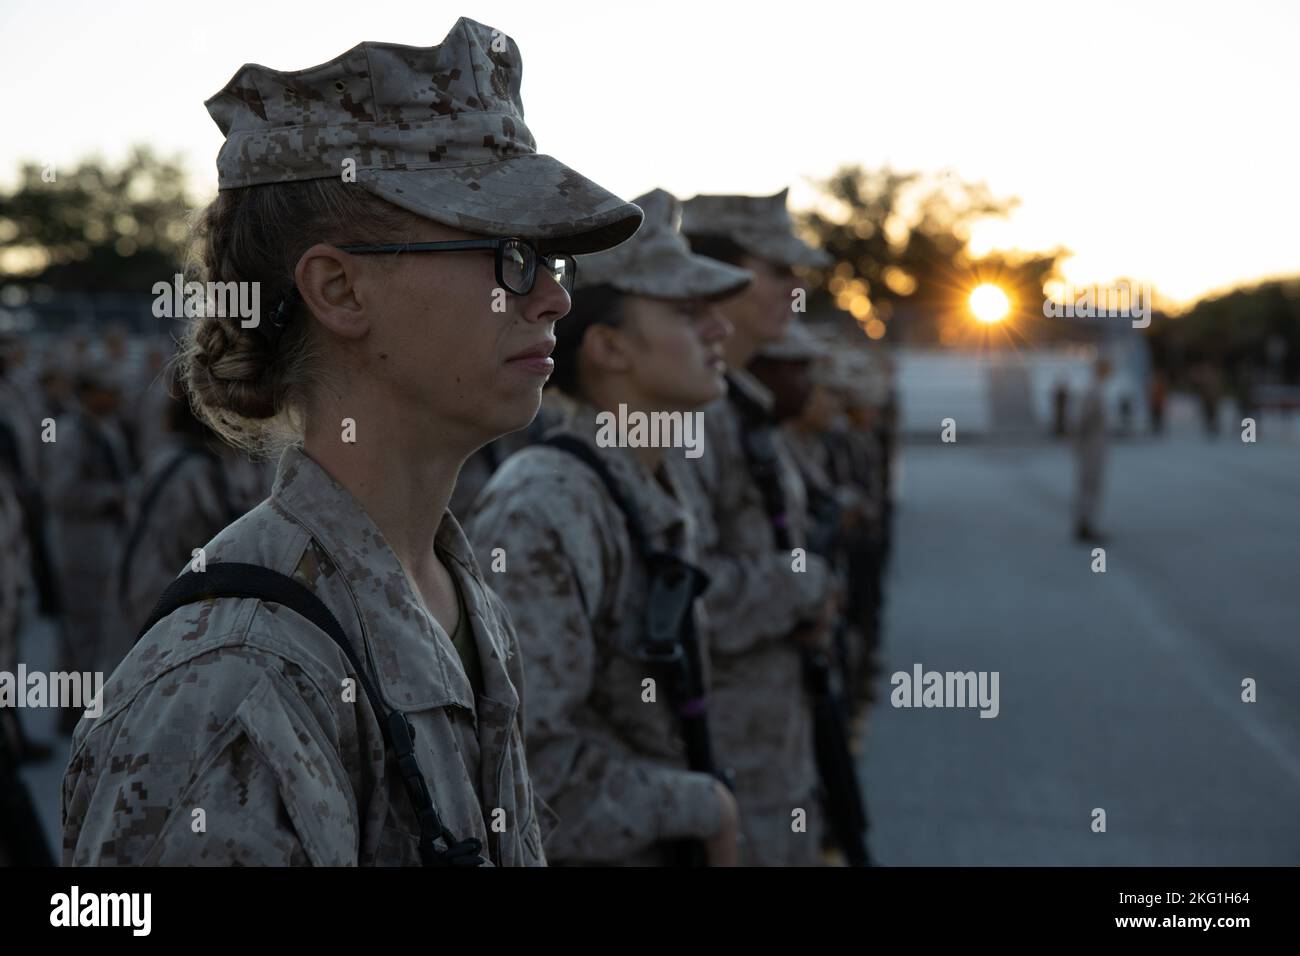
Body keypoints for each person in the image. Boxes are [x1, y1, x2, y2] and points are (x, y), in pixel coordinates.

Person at [61, 17, 643, 866]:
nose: (553, 299)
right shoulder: (233, 687)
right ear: (338, 289)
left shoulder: (452, 588)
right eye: (513, 255)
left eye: (555, 263)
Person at [467, 189, 748, 865]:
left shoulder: (655, 478)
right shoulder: (545, 507)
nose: (720, 330)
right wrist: (698, 806)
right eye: (688, 312)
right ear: (611, 349)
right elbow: (521, 770)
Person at [680, 189, 838, 865]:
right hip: (722, 757)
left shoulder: (741, 404)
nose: (795, 287)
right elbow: (679, 593)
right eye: (779, 269)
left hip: (774, 746)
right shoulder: (688, 415)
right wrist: (804, 587)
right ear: (721, 274)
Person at [1074, 356, 1112, 543]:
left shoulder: (1096, 388)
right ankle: (1085, 526)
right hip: (1091, 447)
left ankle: (1085, 523)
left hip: (1092, 445)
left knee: (1089, 486)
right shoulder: (1094, 390)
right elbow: (1085, 419)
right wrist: (1080, 444)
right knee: (1090, 486)